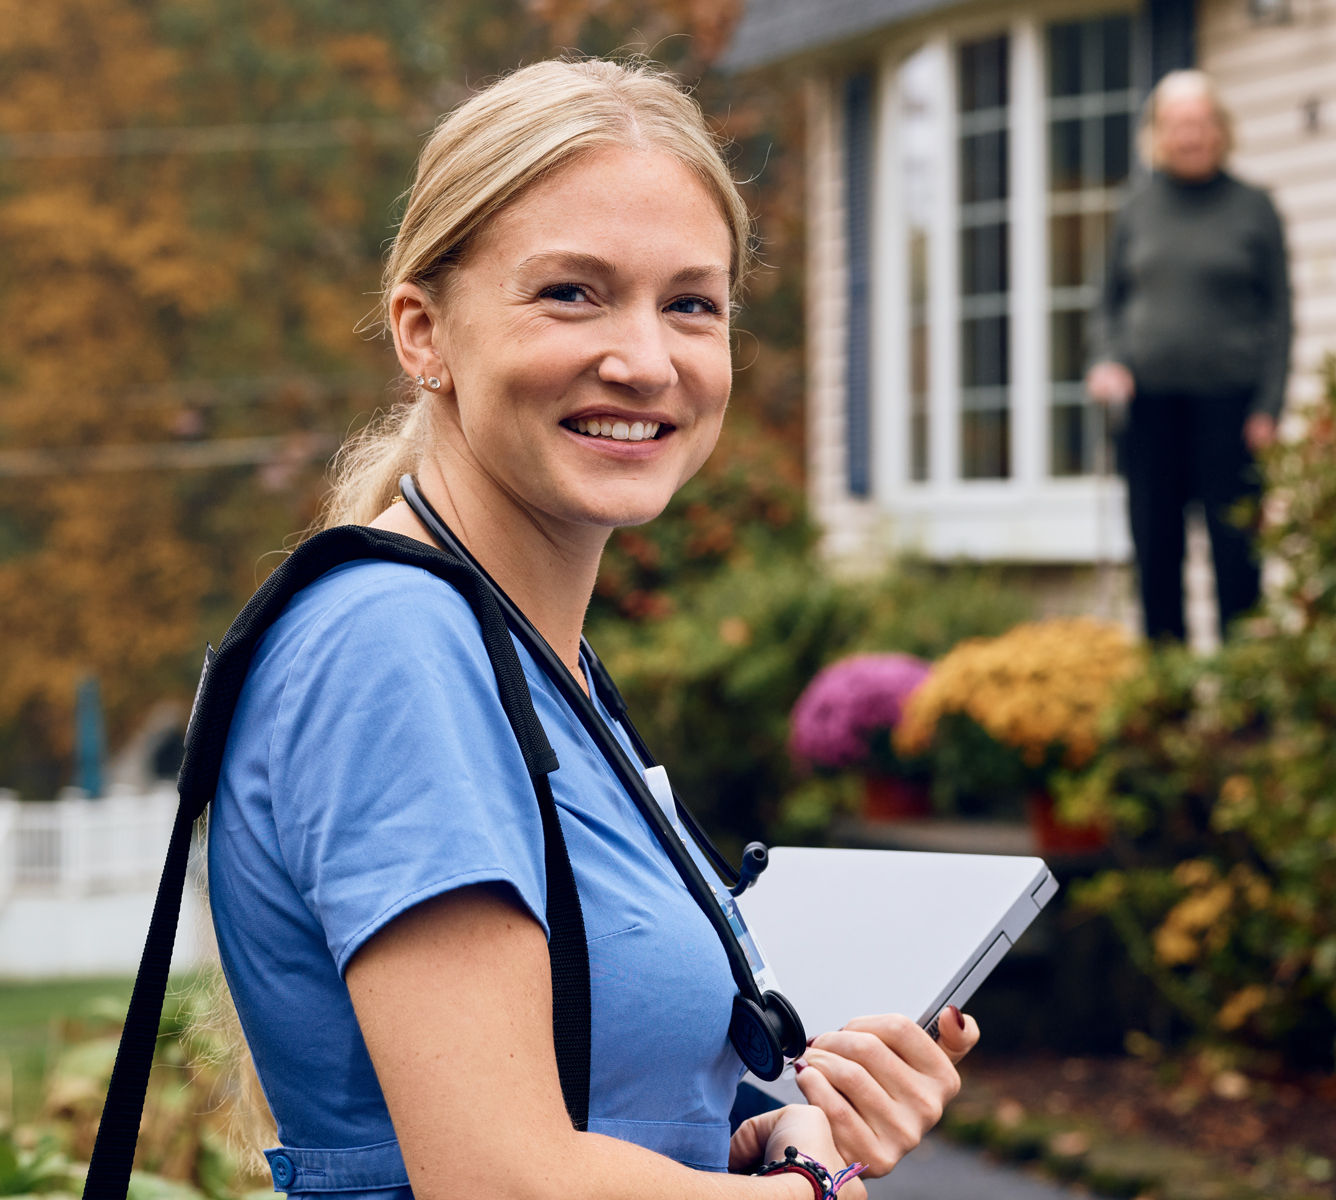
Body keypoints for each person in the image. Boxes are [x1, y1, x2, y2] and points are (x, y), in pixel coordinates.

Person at [205, 59, 975, 1200]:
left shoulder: (533, 663)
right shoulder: (398, 648)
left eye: (690, 304)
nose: (646, 360)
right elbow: (500, 1179)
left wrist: (771, 1139)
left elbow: (576, 1125)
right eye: (571, 292)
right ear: (423, 332)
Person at [1086, 70, 1292, 645]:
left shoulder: (1254, 208)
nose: (1190, 136)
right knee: (1156, 555)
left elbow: (1281, 316)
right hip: (1150, 407)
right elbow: (1106, 305)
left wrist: (1269, 406)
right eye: (1178, 126)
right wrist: (1107, 359)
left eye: (1200, 124)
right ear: (1158, 134)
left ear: (1220, 130)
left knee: (1237, 557)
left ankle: (1245, 708)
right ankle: (1166, 702)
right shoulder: (1137, 208)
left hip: (1232, 409)